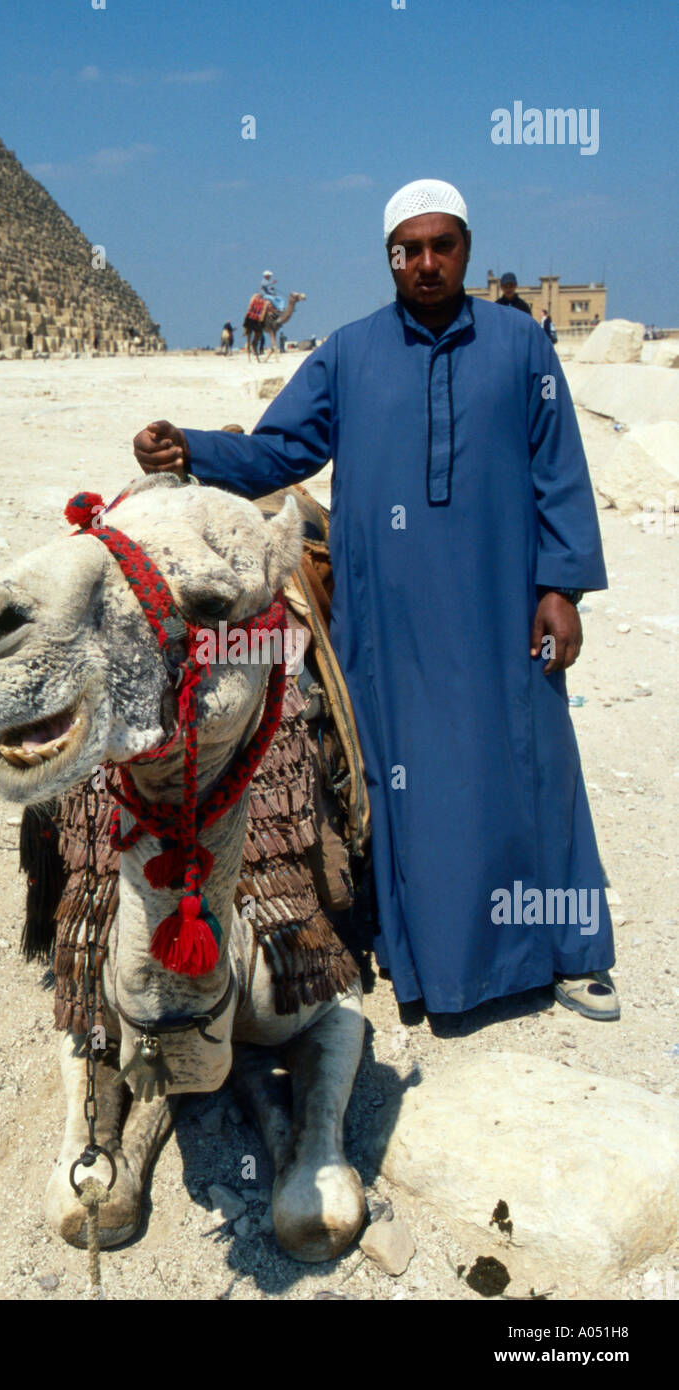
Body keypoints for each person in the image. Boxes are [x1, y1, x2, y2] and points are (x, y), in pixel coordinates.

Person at [133, 177, 618, 1023]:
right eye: (410, 250)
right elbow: (281, 449)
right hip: (390, 623)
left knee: (535, 760)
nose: (427, 263)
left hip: (504, 603)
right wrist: (194, 447)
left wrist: (562, 588)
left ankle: (568, 953)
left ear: (466, 248)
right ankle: (429, 961)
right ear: (389, 257)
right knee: (409, 778)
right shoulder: (349, 355)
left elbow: (558, 471)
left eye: (443, 246)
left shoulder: (520, 345)